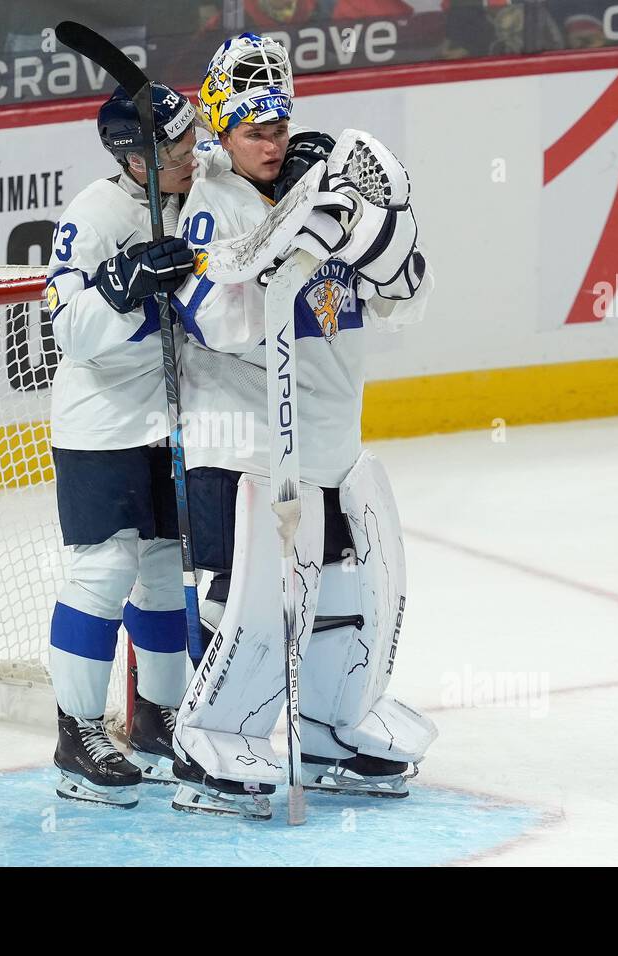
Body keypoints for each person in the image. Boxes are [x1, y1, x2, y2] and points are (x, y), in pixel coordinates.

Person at [168, 33, 438, 819]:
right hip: (251, 441)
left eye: (279, 126)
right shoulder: (210, 210)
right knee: (260, 600)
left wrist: (376, 233)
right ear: (222, 128)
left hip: (328, 436)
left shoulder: (323, 190)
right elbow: (216, 321)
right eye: (254, 130)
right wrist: (283, 243)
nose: (271, 142)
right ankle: (213, 736)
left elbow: (403, 300)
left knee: (352, 591)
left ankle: (329, 725)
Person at [44, 82, 200, 808]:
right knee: (106, 568)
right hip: (101, 420)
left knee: (166, 567)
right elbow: (68, 332)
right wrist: (121, 285)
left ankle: (156, 718)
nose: (191, 159)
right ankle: (77, 731)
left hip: (170, 416)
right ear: (135, 159)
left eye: (192, 142)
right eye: (175, 150)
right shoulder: (94, 214)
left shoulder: (193, 193)